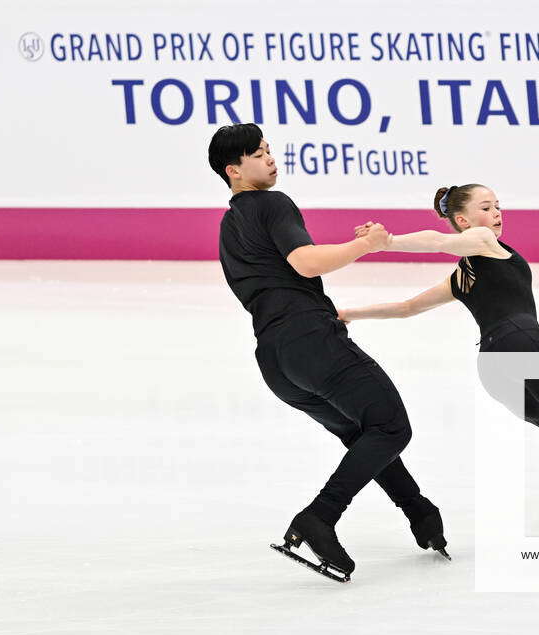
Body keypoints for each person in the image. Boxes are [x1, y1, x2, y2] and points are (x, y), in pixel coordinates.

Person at [208, 125, 511, 581]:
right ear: (235, 170)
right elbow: (305, 262)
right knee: (391, 425)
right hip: (311, 339)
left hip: (275, 362)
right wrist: (365, 245)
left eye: (270, 150)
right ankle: (319, 517)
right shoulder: (272, 203)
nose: (271, 158)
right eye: (258, 154)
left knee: (364, 432)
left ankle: (419, 511)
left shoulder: (229, 226)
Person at [340, 184, 539, 534]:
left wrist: (348, 313)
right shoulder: (483, 239)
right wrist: (388, 242)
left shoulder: (461, 277)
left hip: (493, 367)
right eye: (486, 207)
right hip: (520, 345)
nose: (496, 212)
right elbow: (438, 241)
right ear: (463, 220)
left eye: (498, 205)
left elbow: (407, 308)